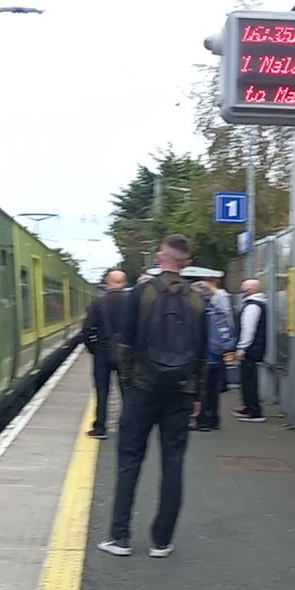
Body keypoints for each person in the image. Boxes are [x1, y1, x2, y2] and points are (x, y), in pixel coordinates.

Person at [98, 234, 207, 559]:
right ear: (186, 262)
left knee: (129, 460)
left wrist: (129, 383)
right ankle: (162, 541)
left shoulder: (141, 293)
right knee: (173, 464)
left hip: (142, 390)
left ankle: (120, 538)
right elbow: (203, 352)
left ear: (161, 256)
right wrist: (197, 393)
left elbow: (126, 343)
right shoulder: (198, 299)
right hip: (181, 392)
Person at [82, 269, 129, 439]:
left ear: (107, 283)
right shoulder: (131, 302)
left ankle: (100, 427)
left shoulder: (98, 303)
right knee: (127, 390)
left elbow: (87, 330)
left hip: (102, 352)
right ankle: (128, 426)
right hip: (126, 353)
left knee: (102, 390)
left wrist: (93, 349)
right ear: (124, 283)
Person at [190, 281, 235, 432]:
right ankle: (214, 419)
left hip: (203, 357)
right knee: (214, 391)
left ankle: (202, 421)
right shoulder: (217, 310)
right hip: (217, 356)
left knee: (201, 390)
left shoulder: (197, 312)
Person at [233, 278, 268, 422]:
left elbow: (248, 329)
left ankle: (253, 411)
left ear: (252, 289)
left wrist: (242, 347)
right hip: (255, 348)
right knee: (249, 379)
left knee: (248, 380)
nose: (242, 291)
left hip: (250, 350)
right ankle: (249, 407)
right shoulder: (258, 304)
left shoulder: (252, 307)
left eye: (244, 288)